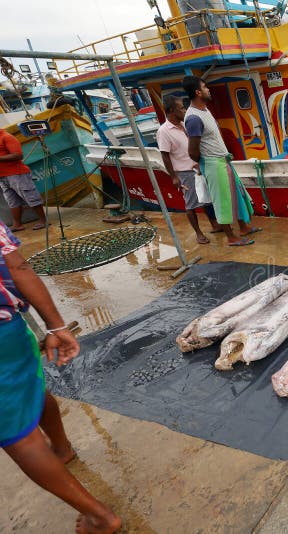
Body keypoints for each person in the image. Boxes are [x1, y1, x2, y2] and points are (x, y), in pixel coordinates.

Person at [0, 221, 121, 533]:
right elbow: (19, 266)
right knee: (34, 389)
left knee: (18, 438)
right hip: (10, 331)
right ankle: (62, 447)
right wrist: (56, 326)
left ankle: (100, 518)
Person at [181, 76, 260, 247]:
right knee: (221, 201)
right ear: (197, 92)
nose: (208, 89)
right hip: (213, 164)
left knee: (237, 194)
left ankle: (243, 227)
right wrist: (205, 163)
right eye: (205, 87)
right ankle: (231, 237)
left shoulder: (204, 110)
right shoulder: (194, 118)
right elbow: (192, 151)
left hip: (223, 161)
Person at [156, 94, 222, 244]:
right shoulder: (164, 131)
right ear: (172, 110)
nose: (184, 110)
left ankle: (215, 225)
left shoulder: (185, 124)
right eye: (181, 108)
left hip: (199, 167)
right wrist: (174, 177)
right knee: (191, 204)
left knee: (208, 199)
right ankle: (198, 233)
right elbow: (165, 156)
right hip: (184, 172)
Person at [0, 128, 47, 231]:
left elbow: (18, 155)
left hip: (17, 174)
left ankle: (43, 221)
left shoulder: (6, 137)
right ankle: (17, 224)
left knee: (30, 196)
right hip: (3, 177)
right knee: (12, 201)